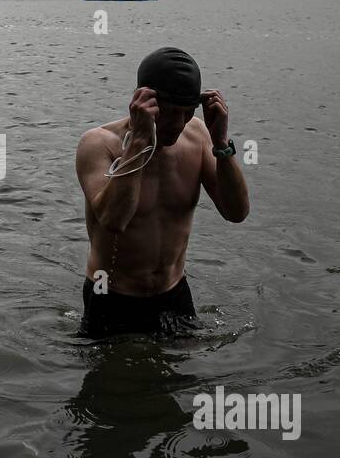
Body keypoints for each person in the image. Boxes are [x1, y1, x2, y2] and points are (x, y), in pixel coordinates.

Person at [75, 47, 250, 337]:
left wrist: (221, 144)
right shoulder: (98, 144)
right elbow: (114, 219)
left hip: (173, 294)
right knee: (110, 381)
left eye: (187, 113)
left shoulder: (197, 137)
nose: (178, 124)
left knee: (180, 381)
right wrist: (141, 140)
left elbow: (237, 213)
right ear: (144, 102)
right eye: (170, 113)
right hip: (111, 294)